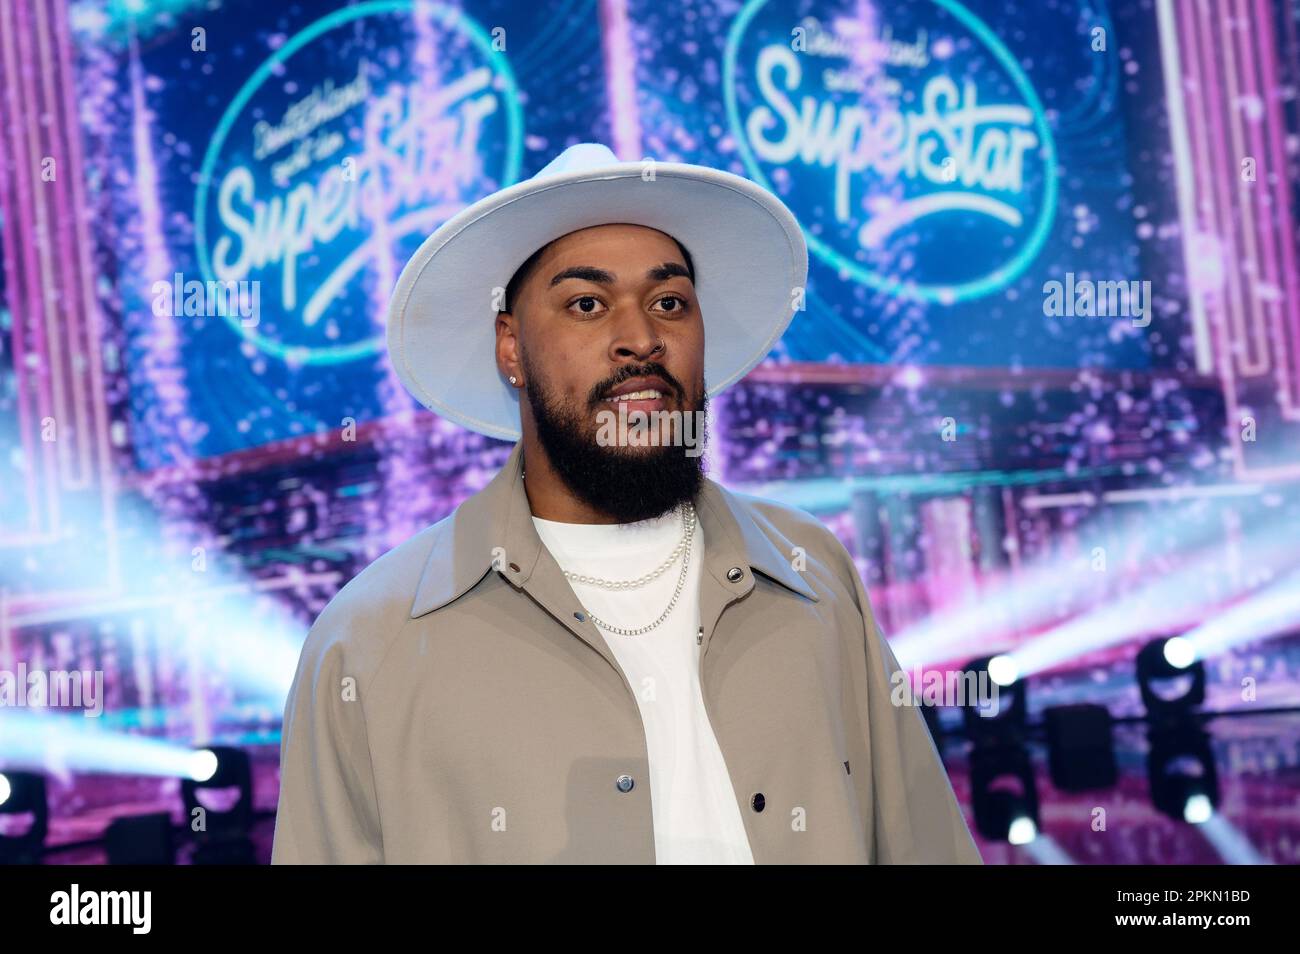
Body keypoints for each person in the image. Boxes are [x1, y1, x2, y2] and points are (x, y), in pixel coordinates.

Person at [272, 143, 982, 864]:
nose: (641, 338)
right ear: (510, 348)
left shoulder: (815, 576)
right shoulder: (369, 642)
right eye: (586, 303)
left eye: (669, 302)